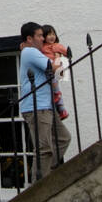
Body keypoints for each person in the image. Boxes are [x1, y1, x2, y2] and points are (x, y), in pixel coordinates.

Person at [19, 21, 71, 181]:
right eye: (40, 35)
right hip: (37, 106)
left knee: (63, 138)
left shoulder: (38, 53)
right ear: (29, 38)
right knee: (43, 149)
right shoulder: (29, 52)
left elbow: (61, 75)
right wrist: (59, 57)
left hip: (47, 105)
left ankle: (44, 173)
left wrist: (58, 60)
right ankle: (36, 188)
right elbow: (58, 71)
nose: (43, 39)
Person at [41, 25, 71, 121]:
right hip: (47, 69)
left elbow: (68, 53)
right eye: (49, 34)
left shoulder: (57, 46)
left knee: (54, 83)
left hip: (55, 67)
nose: (52, 36)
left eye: (53, 34)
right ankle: (60, 109)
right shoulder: (42, 47)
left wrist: (57, 52)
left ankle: (61, 107)